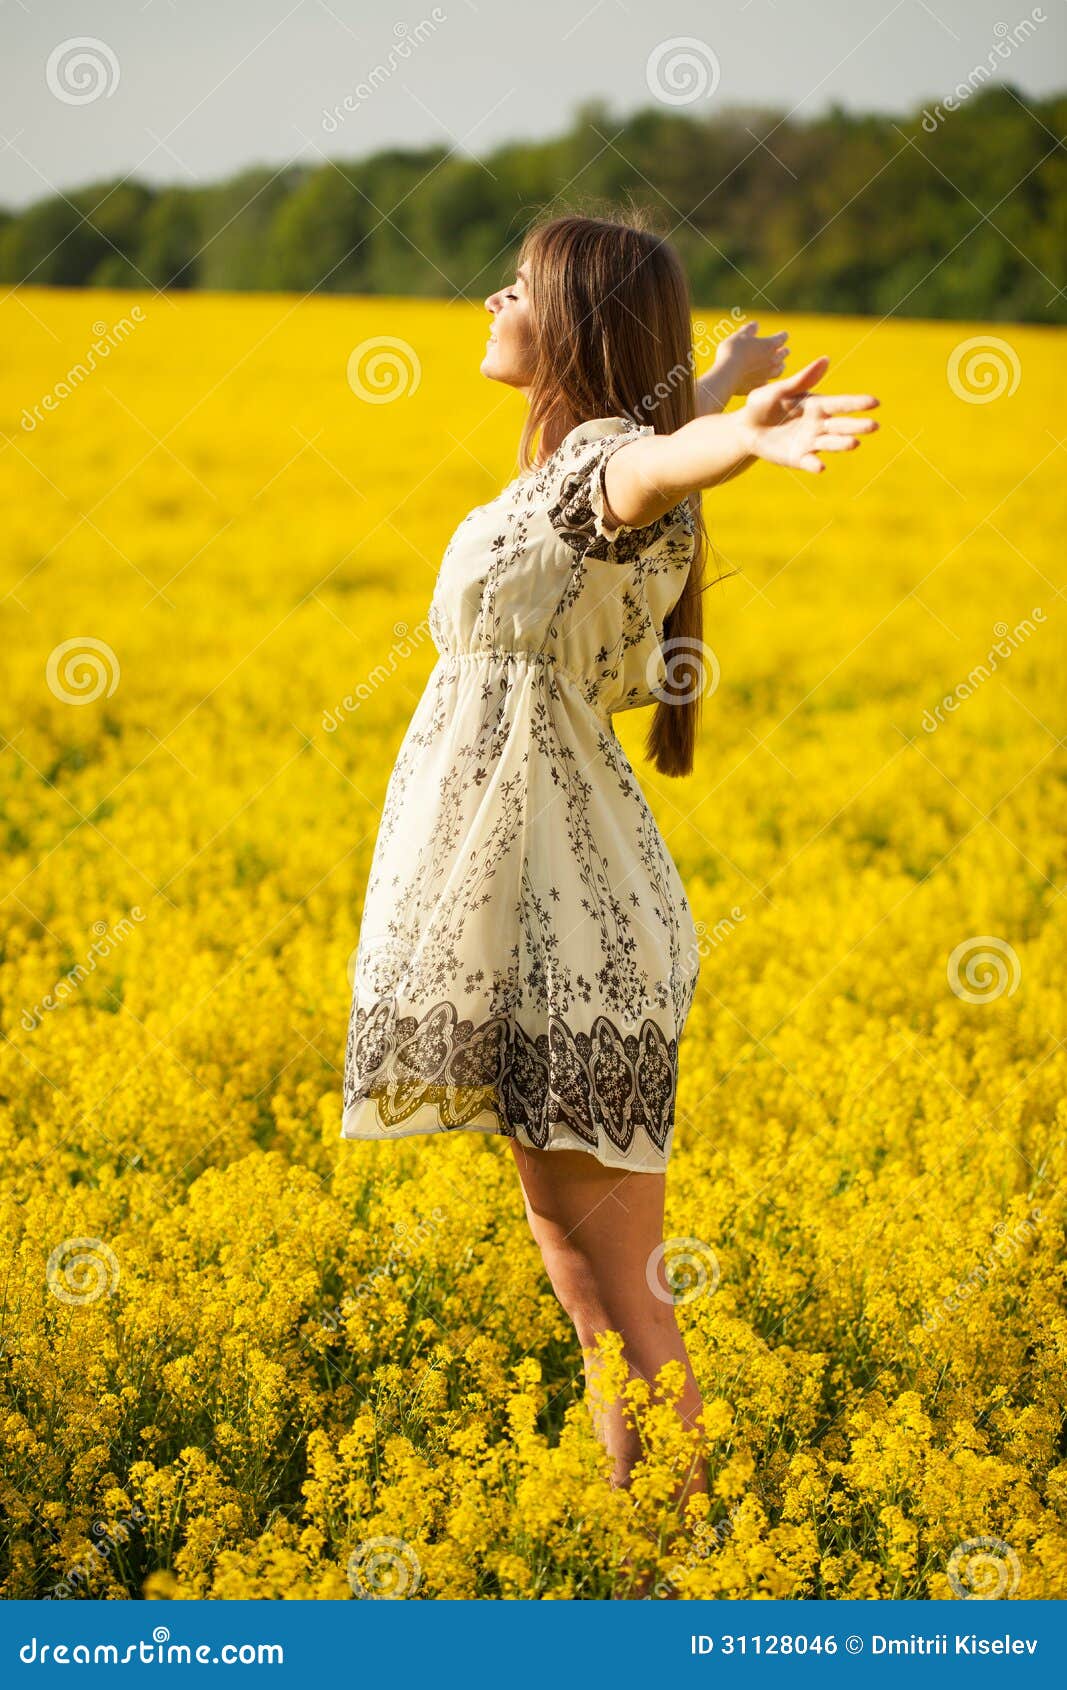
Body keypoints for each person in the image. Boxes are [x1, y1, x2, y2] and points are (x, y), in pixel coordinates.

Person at [340, 210, 879, 1559]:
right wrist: (714, 395)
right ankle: (656, 1562)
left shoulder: (609, 470)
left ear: (564, 327)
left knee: (615, 1302)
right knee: (596, 1292)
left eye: (508, 289)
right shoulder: (587, 472)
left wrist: (737, 435)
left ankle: (671, 1582)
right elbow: (648, 453)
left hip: (567, 936)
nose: (483, 301)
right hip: (554, 919)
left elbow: (647, 466)